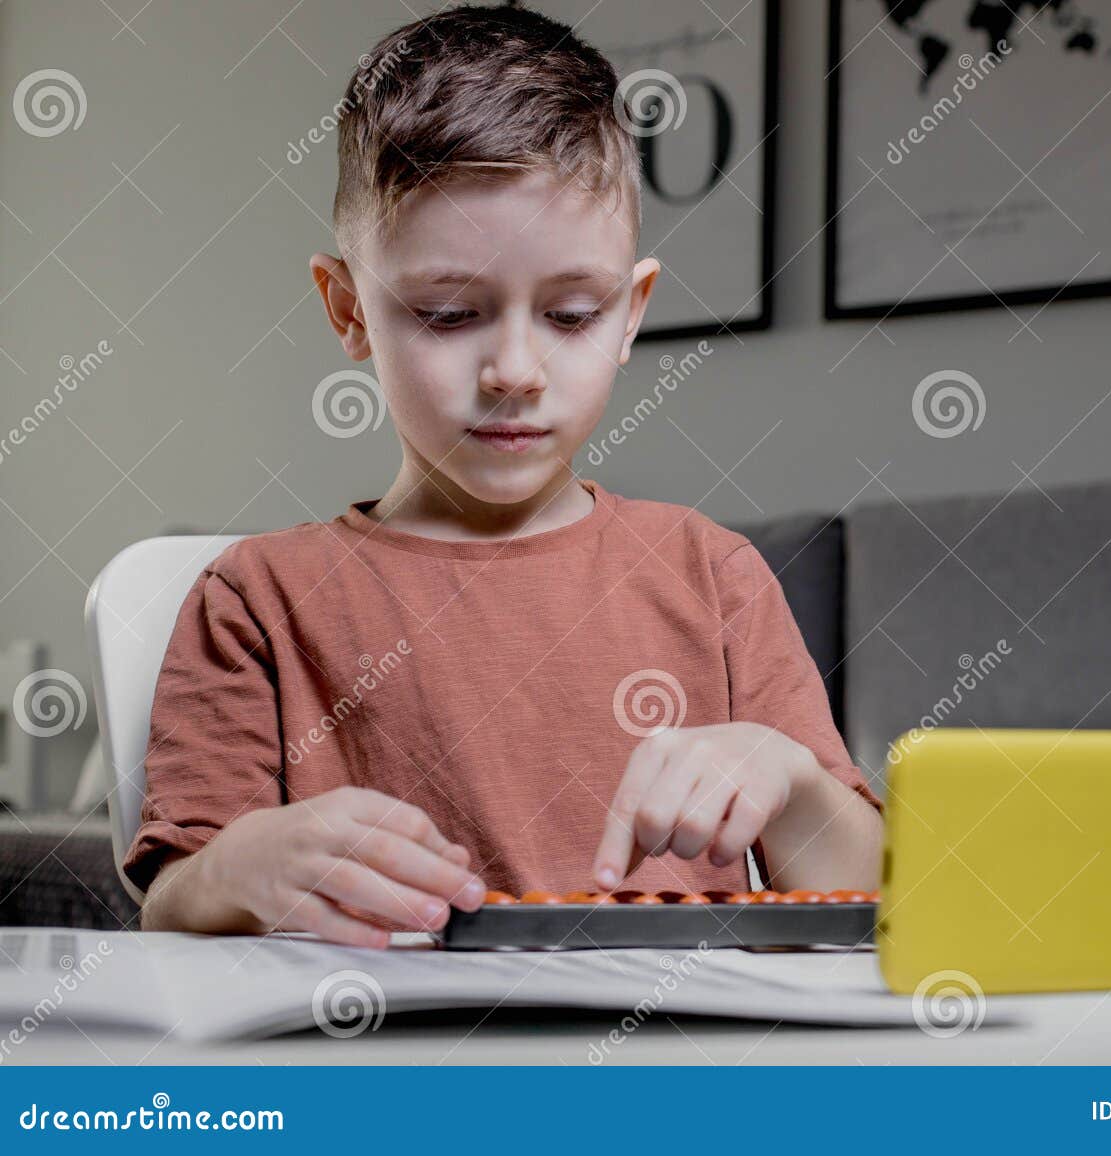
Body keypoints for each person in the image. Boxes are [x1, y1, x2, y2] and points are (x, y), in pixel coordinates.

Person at [130, 2, 883, 948]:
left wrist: (793, 779)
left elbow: (864, 897)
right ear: (347, 309)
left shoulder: (712, 574)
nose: (516, 371)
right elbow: (172, 905)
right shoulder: (257, 598)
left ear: (631, 312)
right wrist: (239, 869)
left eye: (571, 314)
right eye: (449, 314)